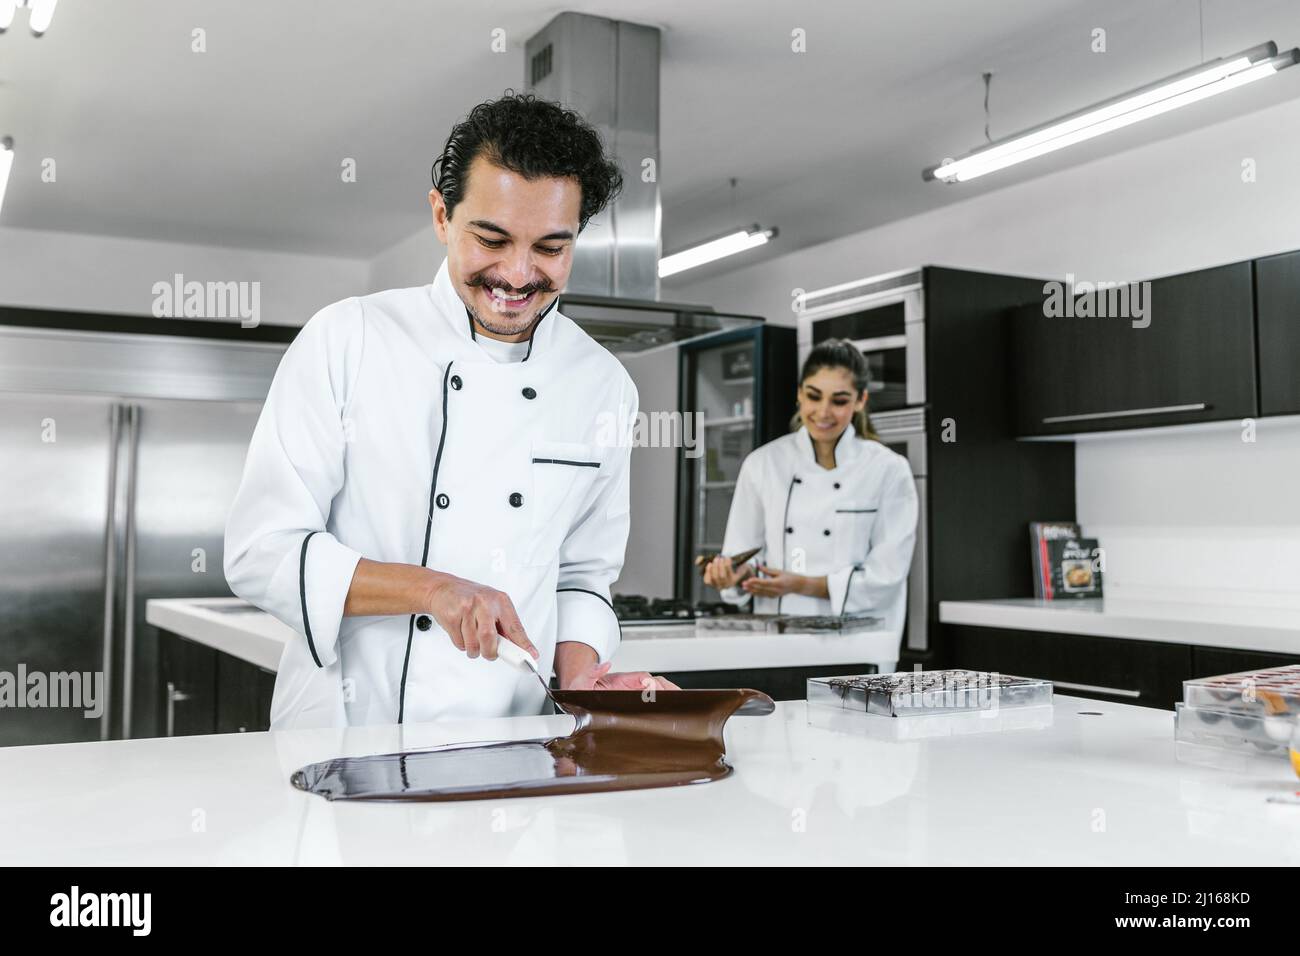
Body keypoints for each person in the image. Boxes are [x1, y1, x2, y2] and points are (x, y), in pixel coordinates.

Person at [224, 91, 675, 731]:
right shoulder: (349, 339)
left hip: (518, 737)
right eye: (491, 238)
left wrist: (583, 680)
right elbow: (261, 552)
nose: (517, 275)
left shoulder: (603, 384)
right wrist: (433, 591)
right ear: (441, 215)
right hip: (355, 730)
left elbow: (582, 574)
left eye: (550, 248)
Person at [702, 339, 918, 663]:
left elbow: (886, 577)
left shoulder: (888, 470)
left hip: (858, 646)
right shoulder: (764, 464)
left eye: (839, 400)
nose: (823, 412)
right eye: (814, 396)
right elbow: (742, 556)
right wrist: (731, 574)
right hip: (778, 644)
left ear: (860, 401)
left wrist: (803, 584)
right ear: (800, 393)